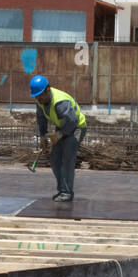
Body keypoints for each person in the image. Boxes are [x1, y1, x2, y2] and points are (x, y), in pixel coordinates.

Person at [29, 74, 87, 203]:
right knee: (55, 158)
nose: (38, 99)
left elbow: (73, 120)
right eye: (36, 96)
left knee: (67, 158)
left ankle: (67, 192)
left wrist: (59, 135)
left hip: (77, 127)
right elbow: (41, 118)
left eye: (40, 95)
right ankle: (62, 189)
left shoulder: (60, 102)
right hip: (62, 127)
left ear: (47, 90)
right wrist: (43, 136)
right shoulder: (40, 101)